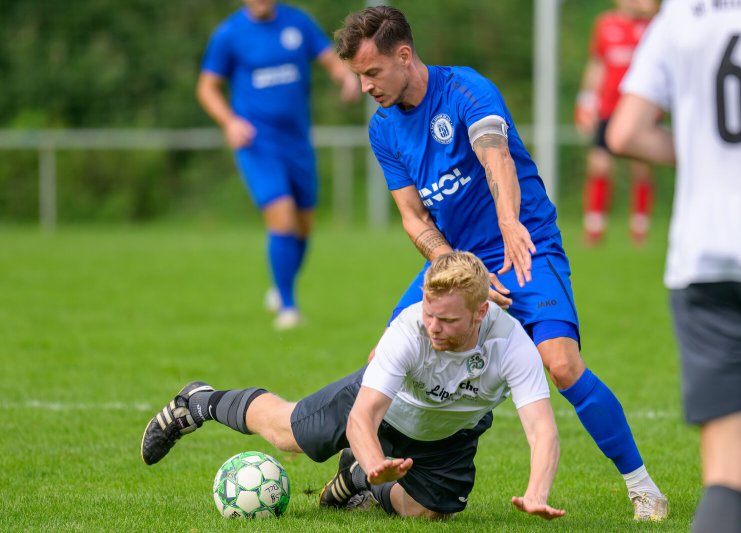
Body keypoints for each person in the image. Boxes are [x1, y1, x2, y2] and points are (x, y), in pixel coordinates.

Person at [334, 5, 667, 521]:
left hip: (525, 247)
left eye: (372, 73)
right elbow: (412, 215)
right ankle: (365, 469)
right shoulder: (384, 130)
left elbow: (496, 157)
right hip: (460, 260)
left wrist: (510, 224)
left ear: (404, 55)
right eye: (359, 77)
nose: (365, 87)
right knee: (384, 357)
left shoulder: (466, 90)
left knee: (560, 362)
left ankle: (643, 487)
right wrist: (459, 270)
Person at [141, 251, 565, 520]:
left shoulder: (512, 344)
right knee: (286, 434)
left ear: (480, 312)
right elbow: (362, 417)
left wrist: (535, 494)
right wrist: (377, 456)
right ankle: (200, 403)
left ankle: (359, 478)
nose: (433, 327)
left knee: (425, 514)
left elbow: (541, 430)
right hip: (385, 408)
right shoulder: (409, 329)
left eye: (448, 320)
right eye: (430, 314)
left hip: (448, 436)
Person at [606, 2, 741, 532]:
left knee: (727, 481)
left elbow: (625, 134)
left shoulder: (680, 19)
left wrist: (705, 154)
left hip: (702, 267)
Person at [196, 0, 360, 330]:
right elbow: (207, 87)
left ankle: (280, 283)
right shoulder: (229, 34)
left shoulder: (297, 23)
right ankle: (287, 306)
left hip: (298, 143)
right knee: (282, 217)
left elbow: (329, 59)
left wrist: (346, 77)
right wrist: (229, 122)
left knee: (304, 226)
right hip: (257, 144)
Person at [574, 0, 659, 246]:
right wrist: (586, 101)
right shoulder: (605, 24)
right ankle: (594, 228)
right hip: (608, 108)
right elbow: (598, 63)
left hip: (639, 108)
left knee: (641, 167)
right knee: (599, 165)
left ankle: (640, 230)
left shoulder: (651, 26)